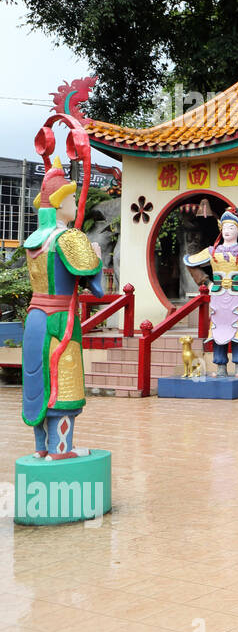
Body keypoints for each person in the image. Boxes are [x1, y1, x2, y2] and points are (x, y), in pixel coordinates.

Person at [22, 159, 104, 459]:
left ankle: (40, 448)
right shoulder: (68, 237)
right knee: (61, 382)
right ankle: (62, 449)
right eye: (70, 198)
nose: (73, 203)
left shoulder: (34, 239)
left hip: (35, 318)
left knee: (38, 379)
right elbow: (97, 287)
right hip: (60, 319)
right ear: (58, 205)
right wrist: (96, 256)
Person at [184, 208, 238, 376]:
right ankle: (220, 367)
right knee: (217, 331)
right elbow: (190, 262)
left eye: (232, 228)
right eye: (225, 228)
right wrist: (206, 281)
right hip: (218, 297)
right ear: (221, 229)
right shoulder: (212, 251)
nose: (228, 231)